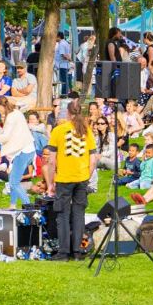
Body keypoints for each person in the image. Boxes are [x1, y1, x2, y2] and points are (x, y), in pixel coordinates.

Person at [48, 99, 97, 261]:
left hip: (64, 178)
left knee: (62, 214)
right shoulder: (86, 130)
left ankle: (63, 252)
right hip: (81, 177)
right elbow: (93, 157)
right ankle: (77, 252)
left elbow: (51, 160)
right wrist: (88, 175)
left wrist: (50, 182)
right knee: (79, 214)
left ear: (67, 113)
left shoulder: (58, 130)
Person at [0, 96, 36, 208]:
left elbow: (6, 137)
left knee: (14, 182)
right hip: (28, 149)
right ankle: (12, 205)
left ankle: (28, 206)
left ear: (1, 106)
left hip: (23, 151)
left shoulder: (10, 117)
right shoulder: (16, 112)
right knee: (13, 180)